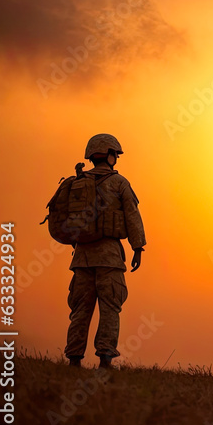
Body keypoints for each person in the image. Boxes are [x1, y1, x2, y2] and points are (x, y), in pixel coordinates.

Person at [65, 134, 145, 369]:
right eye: (115, 155)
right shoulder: (119, 183)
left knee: (80, 309)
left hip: (81, 257)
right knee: (110, 308)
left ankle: (74, 359)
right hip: (109, 256)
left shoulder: (77, 183)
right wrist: (137, 247)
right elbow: (132, 216)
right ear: (110, 156)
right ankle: (105, 359)